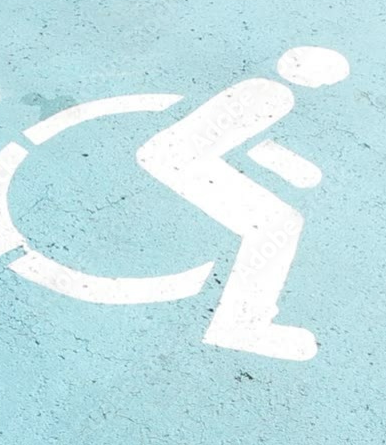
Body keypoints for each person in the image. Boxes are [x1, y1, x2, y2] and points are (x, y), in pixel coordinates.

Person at [136, 47, 349, 361]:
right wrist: (298, 170)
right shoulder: (276, 96)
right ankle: (241, 325)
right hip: (182, 162)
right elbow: (249, 149)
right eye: (325, 78)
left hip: (173, 154)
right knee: (279, 224)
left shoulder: (260, 85)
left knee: (275, 219)